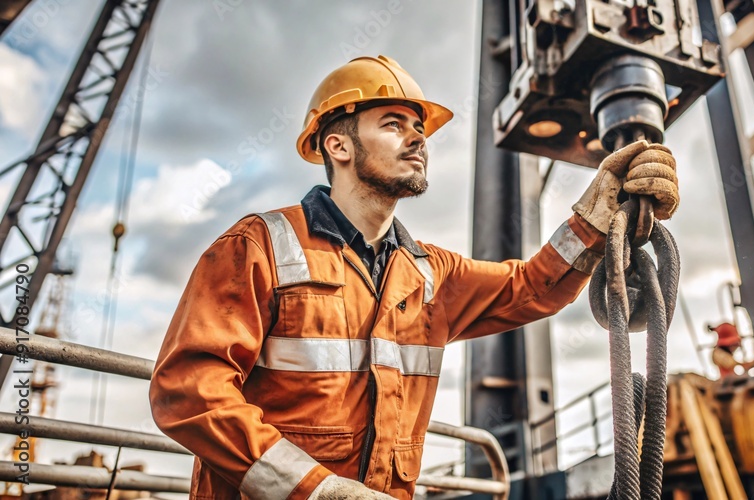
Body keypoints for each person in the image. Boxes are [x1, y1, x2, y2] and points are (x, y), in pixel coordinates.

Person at [147, 55, 681, 500]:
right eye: (393, 124)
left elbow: (532, 287)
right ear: (339, 146)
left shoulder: (430, 273)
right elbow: (190, 392)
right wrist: (317, 490)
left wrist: (593, 217)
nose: (417, 139)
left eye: (419, 128)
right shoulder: (259, 246)